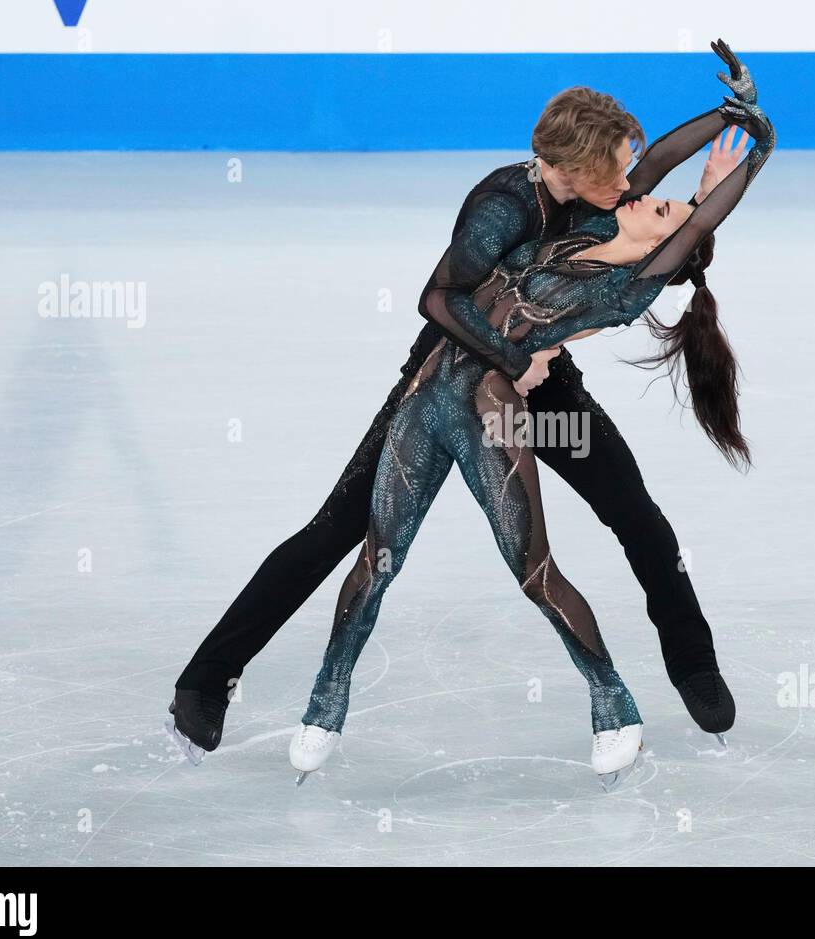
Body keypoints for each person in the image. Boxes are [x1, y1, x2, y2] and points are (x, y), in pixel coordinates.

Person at [168, 40, 756, 764]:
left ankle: (693, 664)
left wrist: (734, 116)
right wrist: (518, 357)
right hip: (446, 378)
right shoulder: (501, 206)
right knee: (336, 529)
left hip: (543, 396)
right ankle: (205, 680)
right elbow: (436, 300)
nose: (628, 186)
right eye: (614, 176)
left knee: (634, 512)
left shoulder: (597, 194)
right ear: (570, 170)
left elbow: (659, 171)